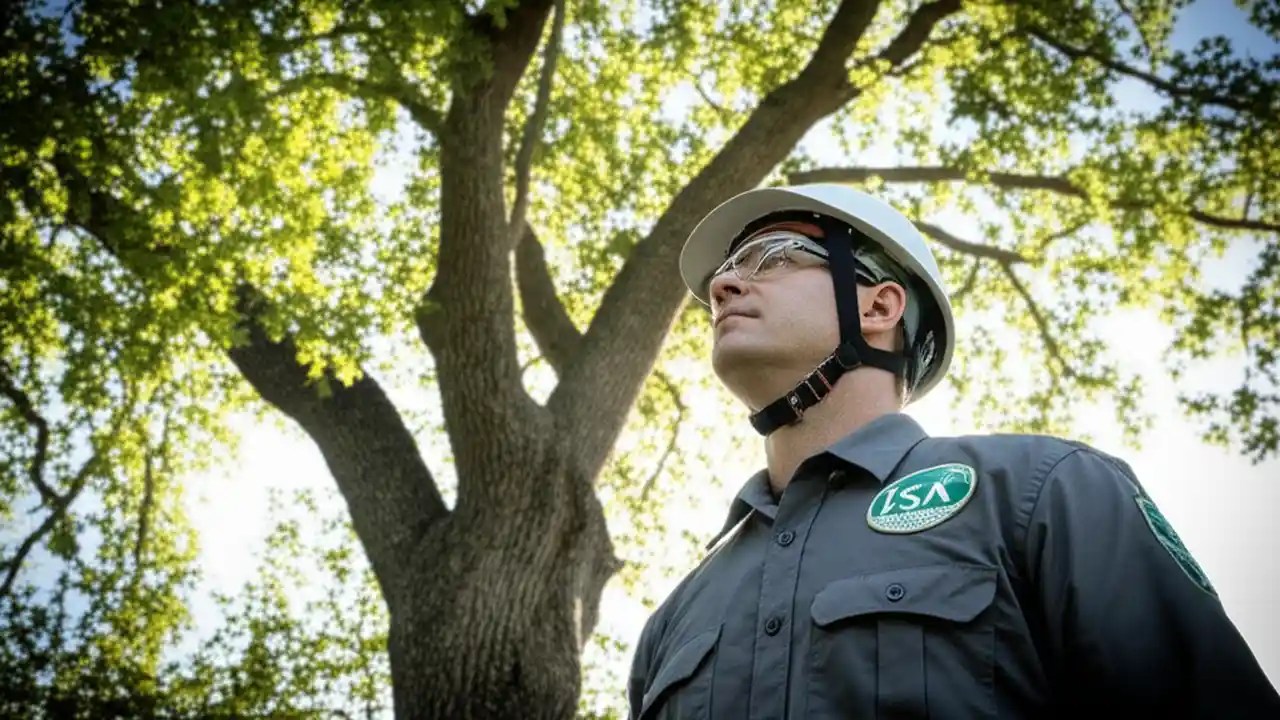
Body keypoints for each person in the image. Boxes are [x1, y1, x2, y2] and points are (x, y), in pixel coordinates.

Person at [626, 184, 1280, 719]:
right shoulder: (674, 617)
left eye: (772, 257)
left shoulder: (1044, 491)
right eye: (724, 274)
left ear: (880, 305)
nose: (723, 288)